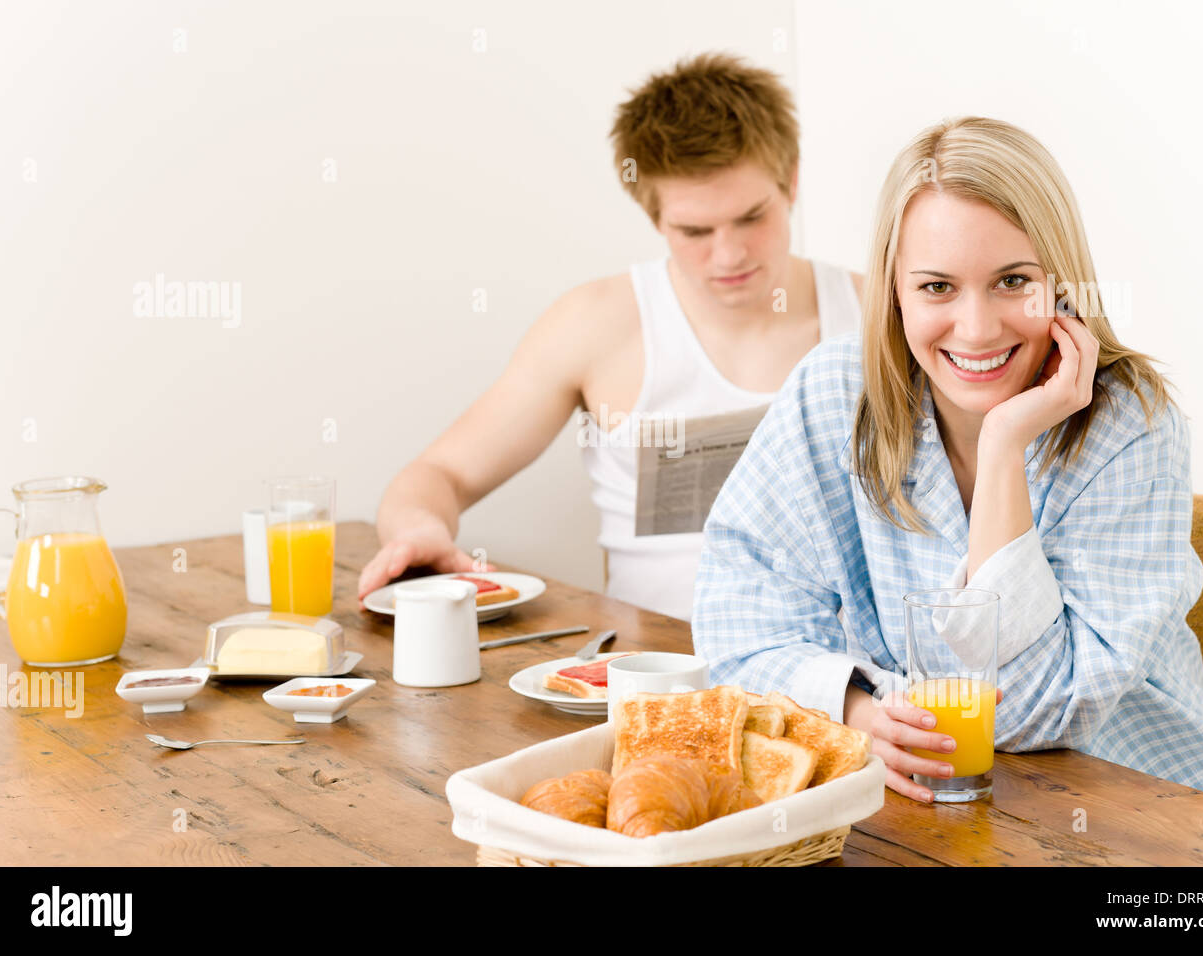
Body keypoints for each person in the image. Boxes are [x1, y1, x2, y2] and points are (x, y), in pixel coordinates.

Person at [692, 116, 1203, 815]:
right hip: (931, 815)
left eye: (1012, 281)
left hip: (1160, 809)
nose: (976, 329)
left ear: (1060, 281)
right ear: (895, 292)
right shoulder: (833, 395)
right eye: (937, 287)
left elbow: (1034, 713)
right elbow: (735, 621)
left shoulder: (1133, 424)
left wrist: (1004, 448)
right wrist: (853, 709)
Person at [358, 53, 862, 620]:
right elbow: (439, 475)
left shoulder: (878, 314)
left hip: (841, 679)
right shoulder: (595, 324)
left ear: (790, 180)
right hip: (654, 673)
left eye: (751, 217)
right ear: (653, 218)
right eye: (694, 230)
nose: (729, 255)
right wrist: (418, 531)